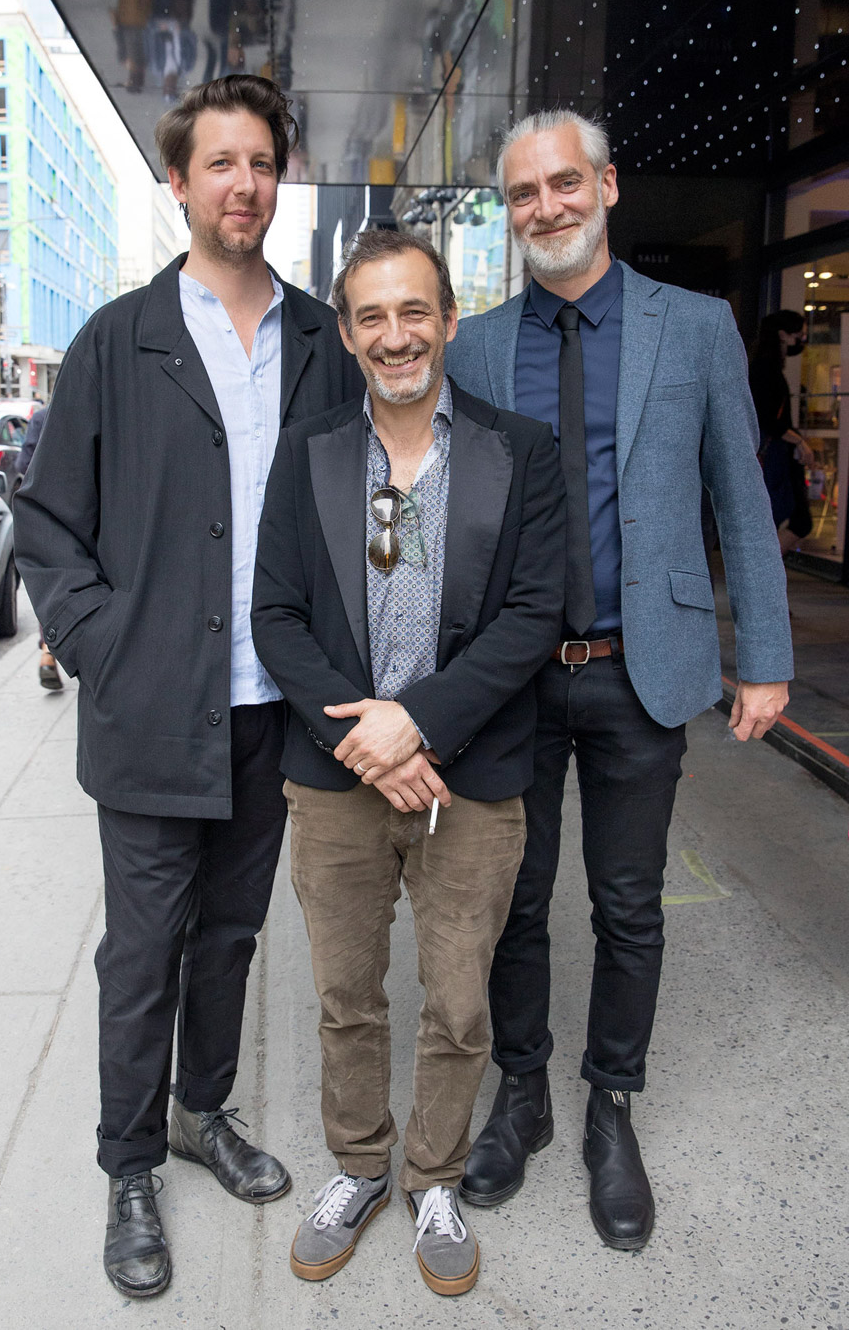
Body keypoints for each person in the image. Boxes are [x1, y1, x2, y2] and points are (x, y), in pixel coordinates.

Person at [13, 75, 362, 1300]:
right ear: (179, 181)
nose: (244, 185)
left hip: (278, 709)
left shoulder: (321, 339)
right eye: (220, 163)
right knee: (143, 952)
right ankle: (126, 1163)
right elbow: (48, 522)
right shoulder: (120, 337)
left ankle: (197, 1112)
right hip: (152, 710)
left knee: (230, 937)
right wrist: (104, 643)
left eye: (262, 163)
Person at [446, 110, 793, 1251]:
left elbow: (737, 497)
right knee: (514, 905)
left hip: (645, 670)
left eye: (561, 184)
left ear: (604, 188)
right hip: (513, 683)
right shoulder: (479, 347)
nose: (543, 206)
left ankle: (610, 1108)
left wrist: (767, 662)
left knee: (629, 906)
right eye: (521, 194)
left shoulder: (691, 328)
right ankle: (523, 1096)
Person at [251, 231, 566, 1295]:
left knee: (458, 1000)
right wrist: (363, 738)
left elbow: (532, 616)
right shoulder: (309, 454)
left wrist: (418, 724)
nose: (396, 335)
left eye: (414, 312)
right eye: (372, 317)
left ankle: (432, 1174)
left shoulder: (519, 451)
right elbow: (275, 616)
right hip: (336, 779)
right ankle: (357, 1167)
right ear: (347, 335)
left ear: (448, 319)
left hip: (469, 780)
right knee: (345, 994)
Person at [748, 310, 816, 556]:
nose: (802, 338)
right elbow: (767, 418)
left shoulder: (765, 367)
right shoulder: (766, 370)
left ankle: (764, 573)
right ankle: (764, 572)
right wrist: (799, 442)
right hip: (775, 455)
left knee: (785, 517)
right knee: (793, 517)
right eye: (798, 333)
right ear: (783, 335)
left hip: (776, 454)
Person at [13, 403, 61, 689]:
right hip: (91, 513)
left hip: (48, 513)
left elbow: (23, 465)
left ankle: (48, 650)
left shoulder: (42, 416)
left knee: (53, 581)